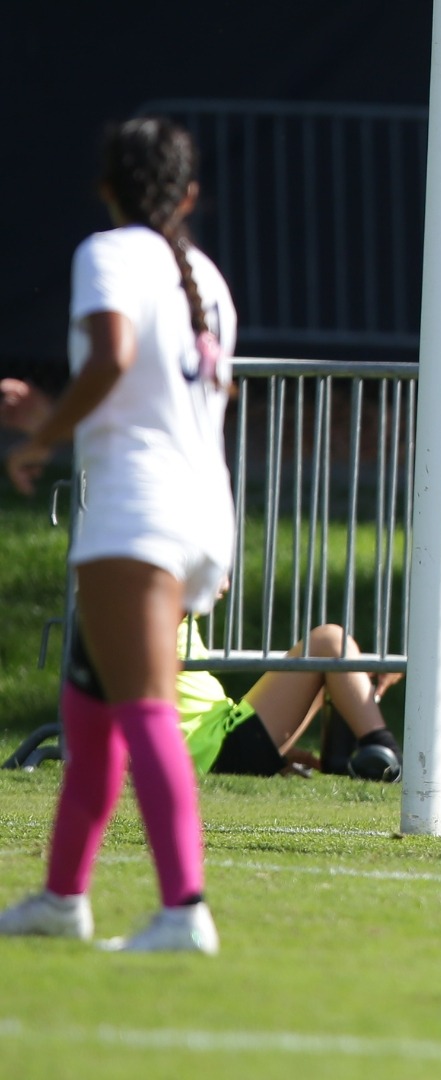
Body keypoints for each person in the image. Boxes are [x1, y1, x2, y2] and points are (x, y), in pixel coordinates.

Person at [0, 118, 235, 953]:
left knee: (142, 709)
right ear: (190, 196)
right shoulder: (205, 276)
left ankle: (184, 908)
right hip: (202, 507)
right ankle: (63, 897)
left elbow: (109, 356)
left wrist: (43, 431)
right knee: (90, 708)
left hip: (139, 508)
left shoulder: (107, 253)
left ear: (106, 188)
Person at [177, 616, 400, 781]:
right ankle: (392, 762)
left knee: (336, 677)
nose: (225, 584)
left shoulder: (168, 608)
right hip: (215, 747)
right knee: (329, 642)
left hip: (215, 741)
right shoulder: (161, 605)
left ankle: (343, 767)